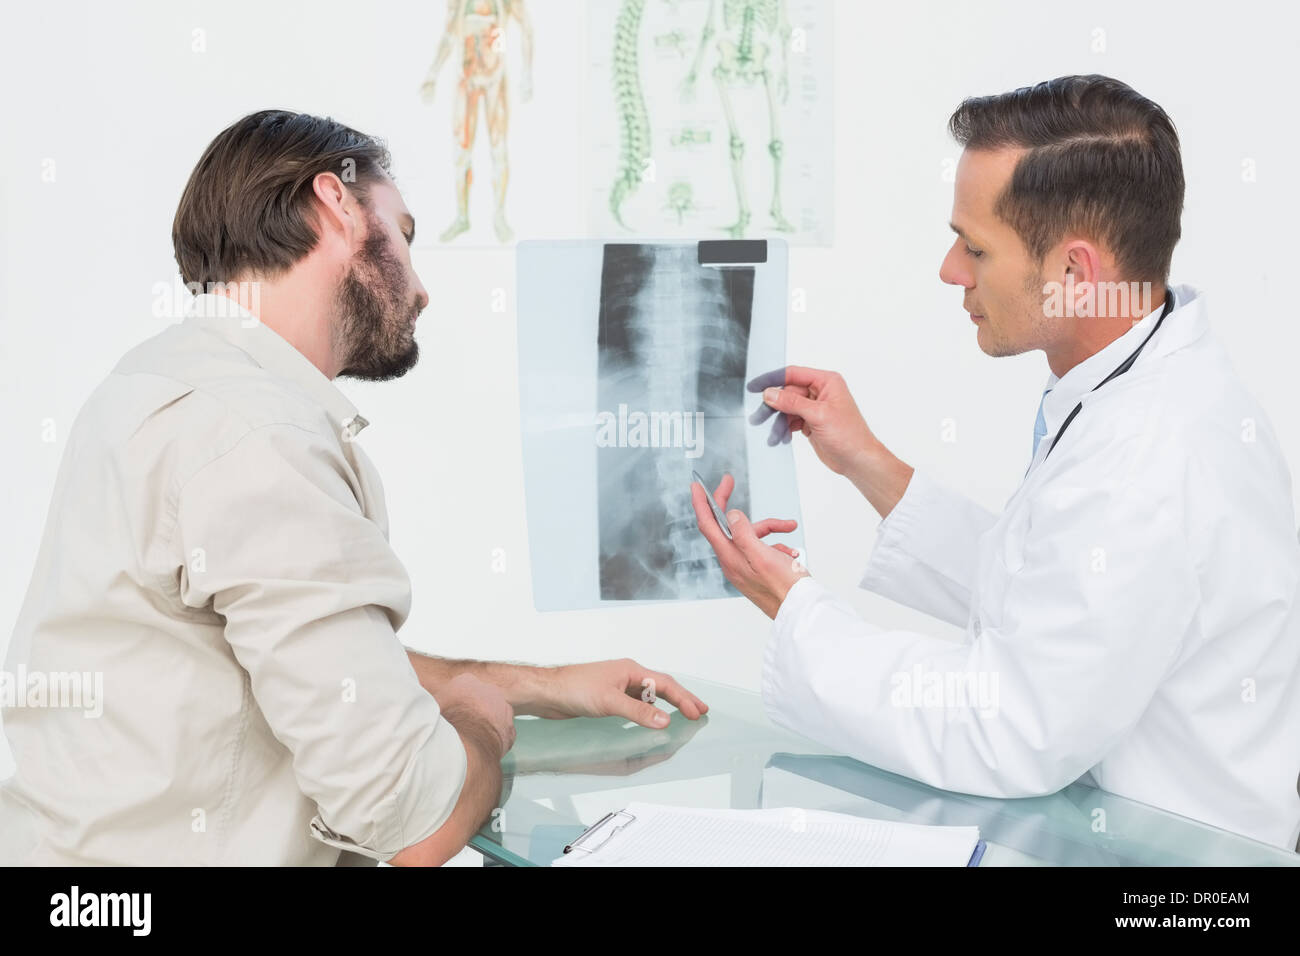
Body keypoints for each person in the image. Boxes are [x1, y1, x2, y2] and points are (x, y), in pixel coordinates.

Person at [0, 109, 706, 866]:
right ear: (336, 202)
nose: (424, 289)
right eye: (404, 232)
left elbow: (300, 661)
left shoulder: (156, 382)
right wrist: (479, 721)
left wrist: (544, 685)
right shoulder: (259, 435)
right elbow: (414, 822)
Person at [691, 75, 1300, 851]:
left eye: (975, 246)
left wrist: (797, 609)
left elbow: (1011, 728)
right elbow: (1058, 586)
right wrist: (865, 461)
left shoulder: (1151, 455)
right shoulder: (1134, 379)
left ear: (1076, 273)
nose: (951, 270)